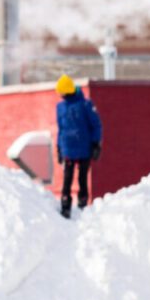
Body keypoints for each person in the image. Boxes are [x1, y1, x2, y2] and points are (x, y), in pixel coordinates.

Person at [53, 74, 102, 218]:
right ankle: (65, 205)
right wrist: (59, 148)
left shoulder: (86, 105)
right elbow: (61, 129)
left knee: (82, 178)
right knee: (67, 179)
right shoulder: (61, 107)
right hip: (68, 148)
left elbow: (96, 125)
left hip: (84, 148)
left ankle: (82, 204)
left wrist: (95, 144)